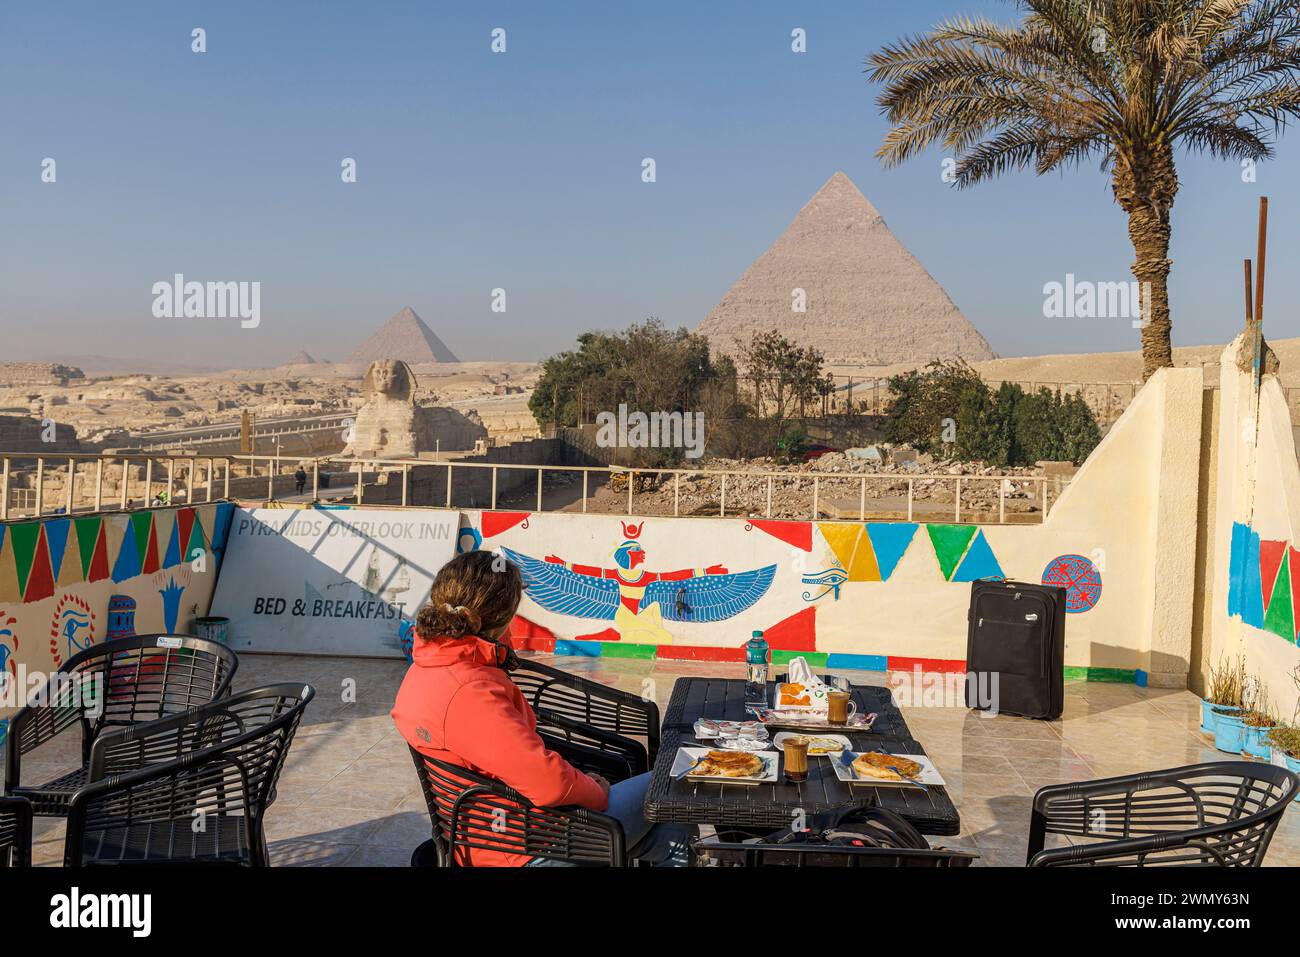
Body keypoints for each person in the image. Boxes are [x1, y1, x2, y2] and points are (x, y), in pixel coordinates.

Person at [392, 550, 687, 867]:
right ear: (504, 619)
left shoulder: (429, 667)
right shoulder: (469, 690)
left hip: (485, 833)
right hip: (525, 847)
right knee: (675, 781)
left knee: (667, 830)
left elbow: (520, 762)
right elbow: (549, 784)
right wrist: (595, 789)